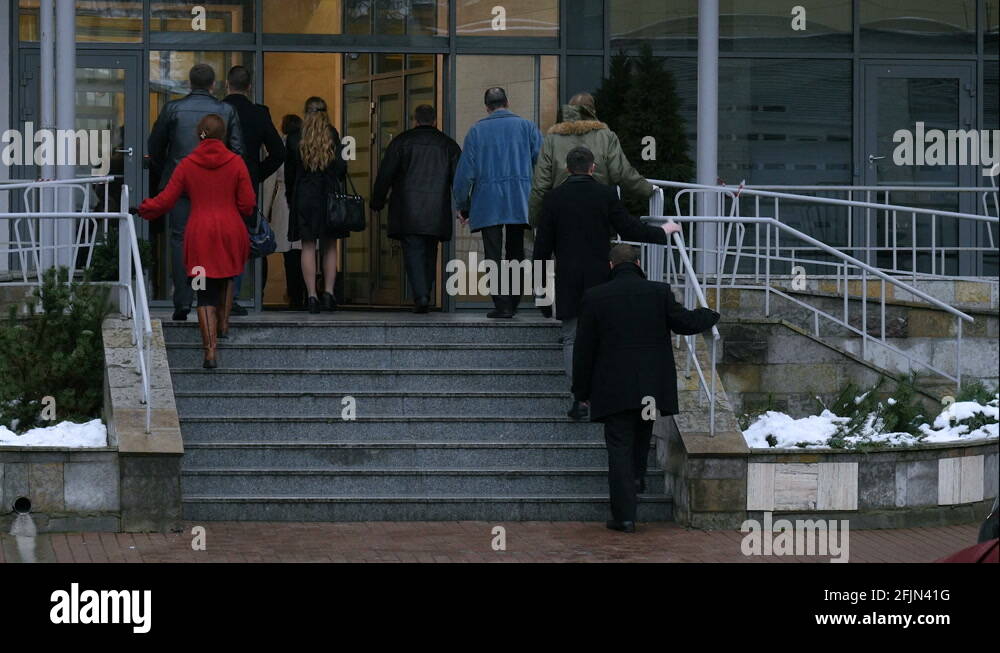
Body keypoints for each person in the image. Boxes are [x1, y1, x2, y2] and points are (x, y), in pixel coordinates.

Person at [572, 244, 719, 533]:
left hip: (612, 388)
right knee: (642, 435)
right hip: (650, 389)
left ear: (611, 266)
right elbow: (684, 322)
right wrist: (710, 315)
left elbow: (584, 349)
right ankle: (636, 477)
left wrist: (581, 391)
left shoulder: (595, 297)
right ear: (639, 263)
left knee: (619, 448)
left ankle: (624, 515)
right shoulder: (658, 292)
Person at [533, 146, 681, 420]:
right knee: (603, 338)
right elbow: (629, 228)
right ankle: (602, 396)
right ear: (592, 168)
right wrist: (663, 231)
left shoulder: (553, 198)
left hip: (568, 279)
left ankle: (579, 399)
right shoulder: (605, 195)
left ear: (567, 169)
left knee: (571, 338)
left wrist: (540, 289)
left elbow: (542, 247)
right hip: (601, 279)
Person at [139, 114, 255, 369]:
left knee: (203, 292)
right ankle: (223, 323)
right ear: (223, 135)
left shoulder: (187, 164)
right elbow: (248, 204)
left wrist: (143, 209)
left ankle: (210, 351)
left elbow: (166, 199)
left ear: (198, 134)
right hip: (230, 229)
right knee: (226, 274)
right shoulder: (236, 162)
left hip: (200, 232)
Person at [148, 63, 244, 322]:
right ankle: (214, 304)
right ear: (213, 85)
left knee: (180, 241)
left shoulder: (173, 109)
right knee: (215, 243)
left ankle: (182, 301)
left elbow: (154, 146)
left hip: (180, 184)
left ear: (190, 84)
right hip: (216, 190)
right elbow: (237, 151)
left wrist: (166, 170)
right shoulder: (226, 110)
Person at [453, 87, 542, 319]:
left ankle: (501, 303)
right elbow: (542, 164)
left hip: (488, 200)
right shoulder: (527, 127)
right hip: (520, 199)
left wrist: (463, 204)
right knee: (516, 252)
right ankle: (513, 302)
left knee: (493, 254)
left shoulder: (477, 131)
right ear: (507, 102)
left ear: (487, 106)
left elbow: (465, 174)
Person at [371, 105, 461, 313]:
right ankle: (424, 292)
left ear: (415, 121)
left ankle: (421, 295)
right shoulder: (448, 145)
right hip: (436, 210)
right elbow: (460, 179)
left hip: (407, 209)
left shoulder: (401, 142)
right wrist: (464, 207)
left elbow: (385, 175)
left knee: (413, 252)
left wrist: (377, 201)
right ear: (435, 121)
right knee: (430, 252)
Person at [529, 93, 654, 226]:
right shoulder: (606, 136)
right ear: (592, 111)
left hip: (562, 211)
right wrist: (649, 189)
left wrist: (535, 219)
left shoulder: (552, 139)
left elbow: (541, 185)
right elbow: (621, 172)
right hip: (597, 210)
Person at [223, 64, 287, 316]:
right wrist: (257, 173)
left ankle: (210, 292)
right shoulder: (259, 113)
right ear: (249, 86)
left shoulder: (218, 110)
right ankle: (234, 295)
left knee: (214, 235)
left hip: (217, 180)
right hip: (246, 182)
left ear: (227, 84)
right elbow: (278, 152)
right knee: (240, 238)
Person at [284, 96, 347, 314]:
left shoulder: (294, 137)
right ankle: (328, 294)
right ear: (325, 112)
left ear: (305, 112)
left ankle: (311, 296)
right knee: (330, 246)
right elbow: (341, 168)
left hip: (304, 195)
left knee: (308, 246)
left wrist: (290, 196)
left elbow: (290, 173)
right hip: (327, 195)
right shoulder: (332, 134)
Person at [262, 114, 306, 310]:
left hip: (284, 201)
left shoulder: (280, 145)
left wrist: (263, 211)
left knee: (289, 254)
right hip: (307, 199)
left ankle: (294, 296)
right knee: (307, 250)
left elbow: (270, 181)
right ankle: (307, 293)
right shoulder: (309, 144)